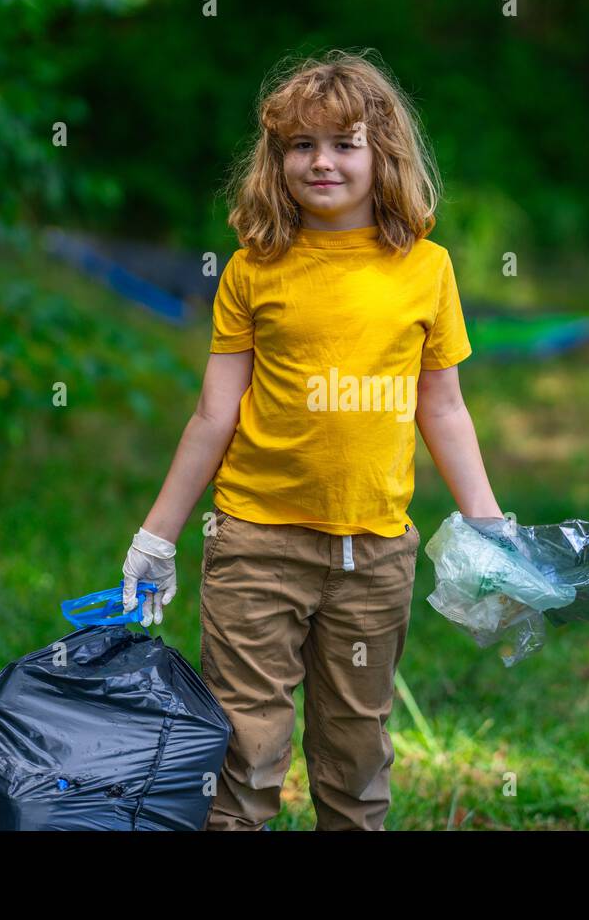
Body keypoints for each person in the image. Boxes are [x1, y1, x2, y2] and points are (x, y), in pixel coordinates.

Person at [120, 48, 502, 830]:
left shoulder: (426, 269)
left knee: (357, 759)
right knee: (244, 754)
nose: (321, 162)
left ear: (383, 154)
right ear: (276, 159)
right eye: (301, 145)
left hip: (376, 552)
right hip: (256, 545)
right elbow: (212, 415)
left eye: (344, 143)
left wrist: (490, 525)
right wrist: (155, 537)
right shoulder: (253, 269)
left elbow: (445, 408)